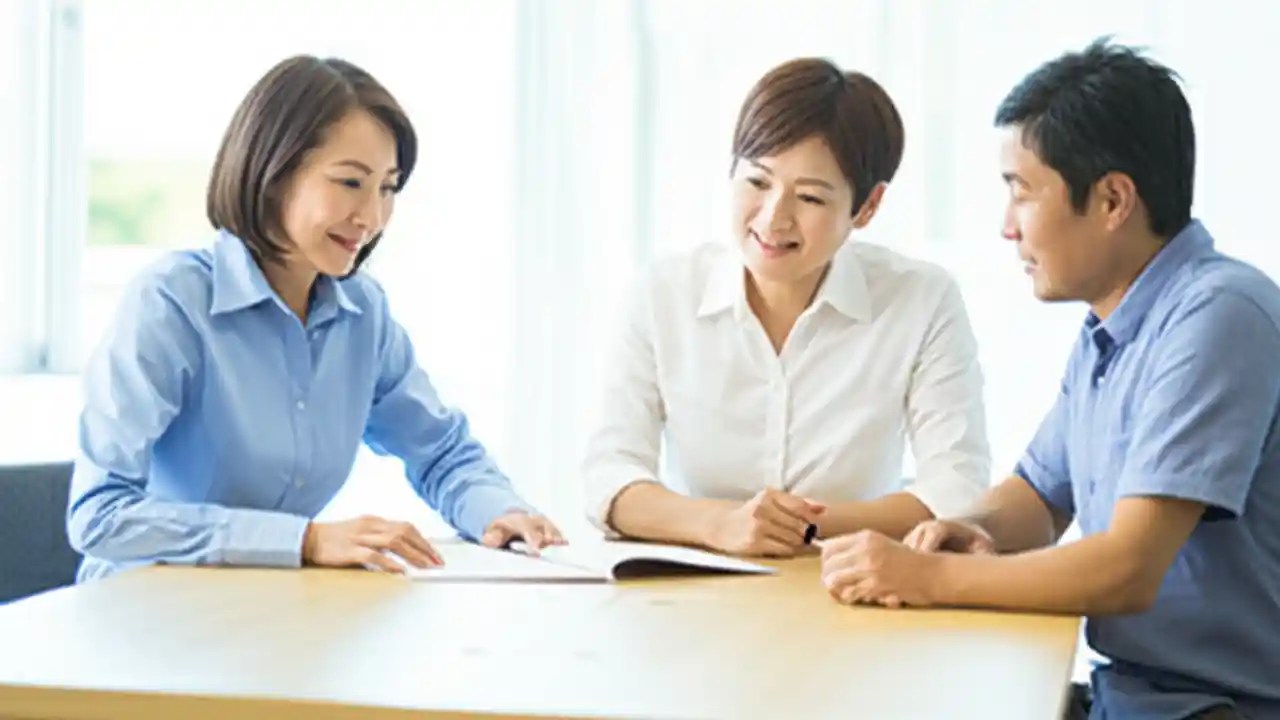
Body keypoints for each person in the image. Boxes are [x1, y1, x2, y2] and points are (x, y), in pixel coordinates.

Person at [819, 40, 1280, 720]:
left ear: (1113, 198)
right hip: (1135, 693)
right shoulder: (1111, 326)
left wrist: (933, 577)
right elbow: (1037, 497)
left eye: (1022, 193)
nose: (1007, 227)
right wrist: (949, 532)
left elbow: (1127, 568)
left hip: (1212, 707)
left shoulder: (1218, 317)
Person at [67, 56, 563, 581]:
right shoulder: (172, 302)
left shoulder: (363, 314)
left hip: (271, 613)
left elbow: (440, 451)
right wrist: (302, 540)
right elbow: (101, 515)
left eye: (388, 189)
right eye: (350, 183)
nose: (371, 218)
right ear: (274, 172)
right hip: (141, 619)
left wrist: (501, 514)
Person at [582, 57, 990, 557]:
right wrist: (721, 523)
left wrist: (794, 527)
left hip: (855, 590)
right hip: (694, 597)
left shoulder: (922, 300)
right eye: (757, 183)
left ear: (867, 207)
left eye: (811, 199)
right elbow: (608, 478)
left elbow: (958, 489)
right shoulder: (661, 294)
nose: (775, 219)